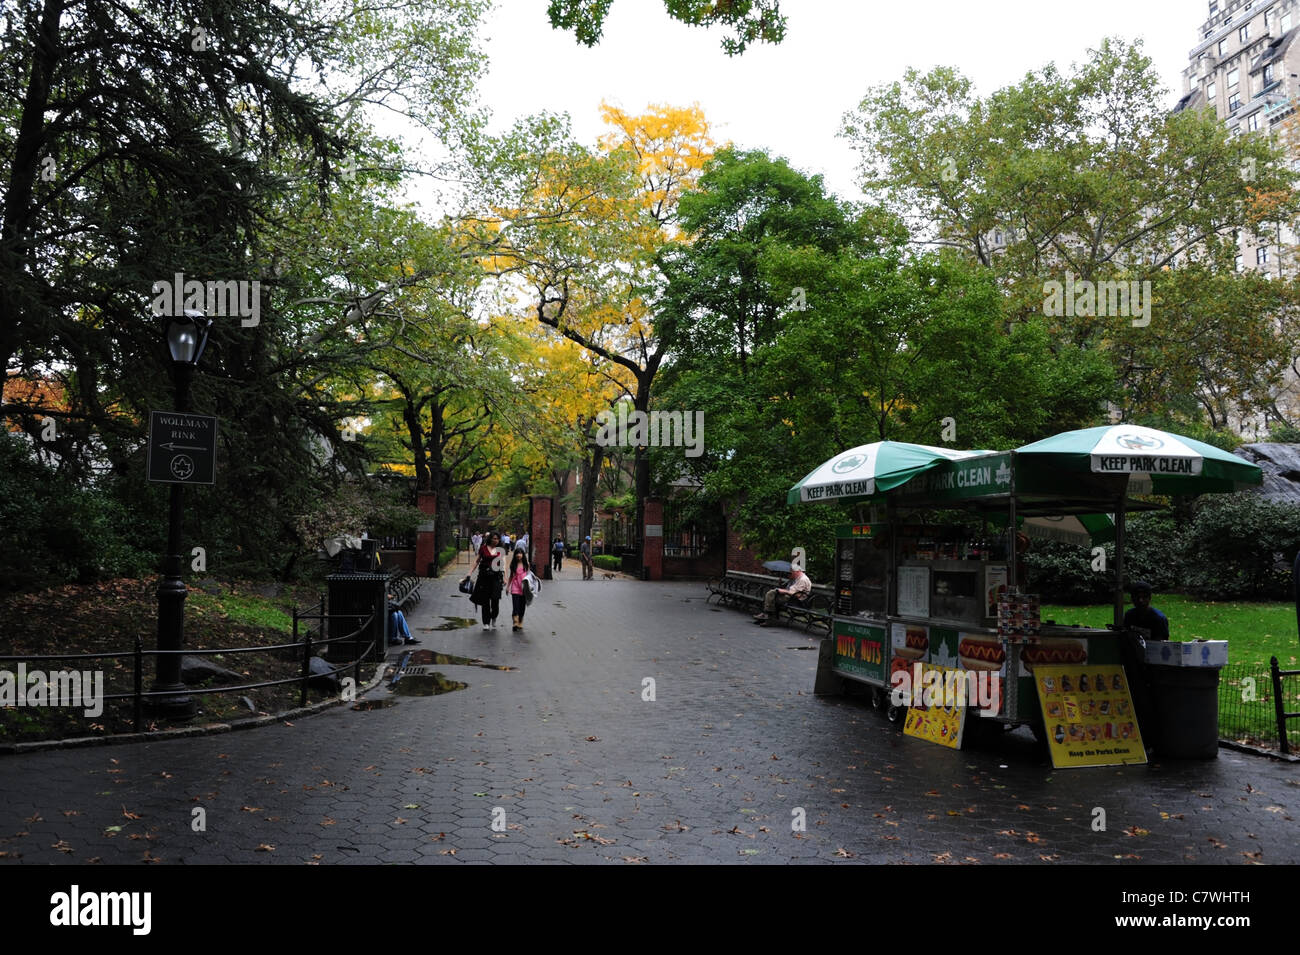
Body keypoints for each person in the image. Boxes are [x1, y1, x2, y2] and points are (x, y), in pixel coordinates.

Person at [470, 531, 505, 631]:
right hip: (484, 577)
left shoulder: (500, 550)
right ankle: (486, 622)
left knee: (495, 601)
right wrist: (469, 573)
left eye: (497, 539)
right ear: (490, 539)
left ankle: (494, 616)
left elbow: (503, 564)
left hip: (496, 577)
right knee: (485, 601)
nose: (496, 540)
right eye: (494, 538)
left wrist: (505, 577)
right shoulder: (483, 549)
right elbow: (477, 561)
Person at [508, 548, 532, 632]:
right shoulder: (513, 565)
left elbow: (529, 576)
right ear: (515, 555)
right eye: (517, 553)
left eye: (521, 553)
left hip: (524, 589)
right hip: (515, 587)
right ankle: (515, 622)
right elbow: (511, 576)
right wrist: (508, 587)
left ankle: (520, 620)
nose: (519, 555)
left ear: (523, 555)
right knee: (515, 606)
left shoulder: (526, 564)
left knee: (522, 606)